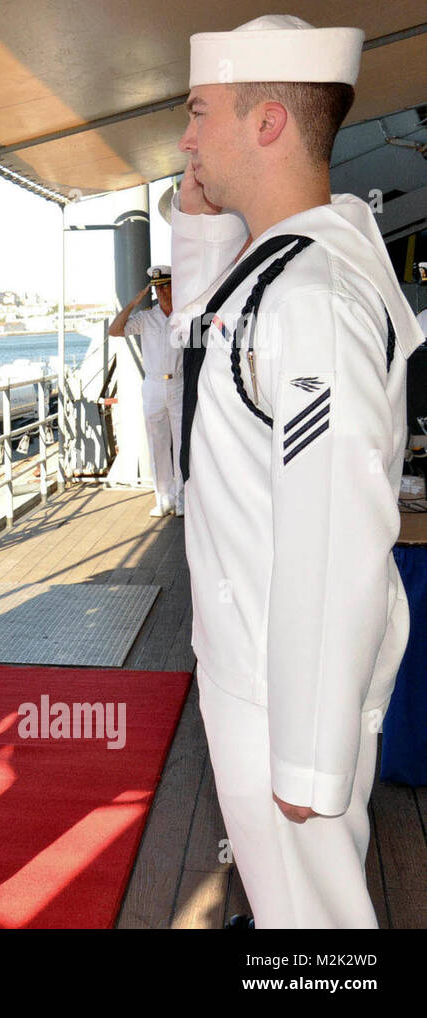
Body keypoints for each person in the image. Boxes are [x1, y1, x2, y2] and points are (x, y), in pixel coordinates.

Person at [174, 16, 424, 927]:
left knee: (316, 933)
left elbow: (333, 532)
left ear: (268, 122)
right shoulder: (280, 268)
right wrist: (199, 224)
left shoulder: (310, 298)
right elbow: (204, 342)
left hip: (286, 689)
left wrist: (308, 758)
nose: (185, 137)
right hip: (257, 665)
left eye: (200, 114)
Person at [110, 265, 182, 516]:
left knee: (182, 442)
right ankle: (164, 499)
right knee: (158, 442)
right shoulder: (146, 317)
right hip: (153, 385)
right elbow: (115, 330)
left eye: (165, 286)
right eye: (157, 287)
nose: (162, 291)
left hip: (178, 383)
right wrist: (134, 302)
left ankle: (182, 498)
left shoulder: (184, 316)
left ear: (175, 285)